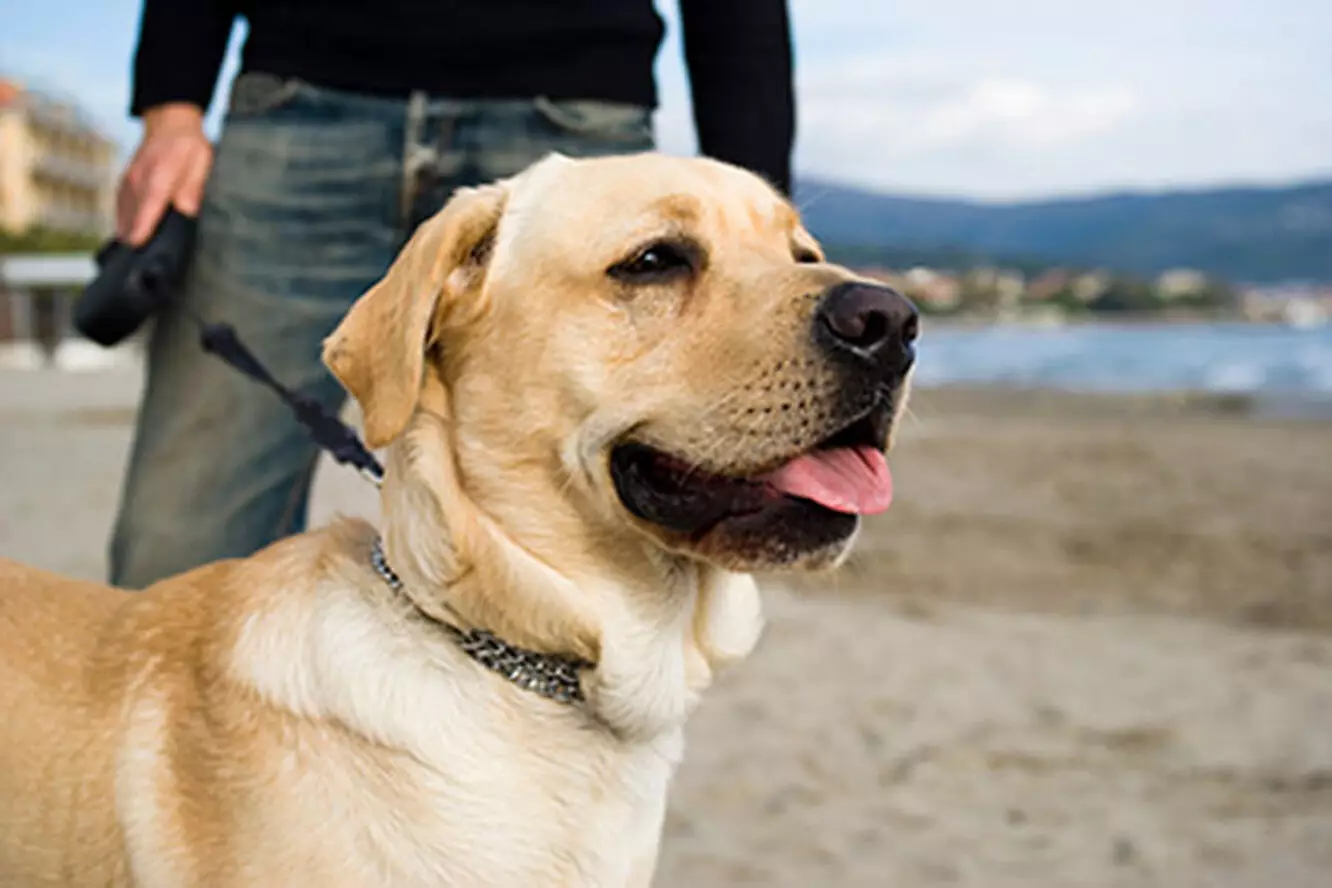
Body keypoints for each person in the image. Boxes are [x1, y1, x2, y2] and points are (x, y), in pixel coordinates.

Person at [109, 0, 796, 589]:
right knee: (176, 548)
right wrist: (172, 106)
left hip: (574, 105)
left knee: (603, 553)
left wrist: (761, 217)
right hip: (298, 98)